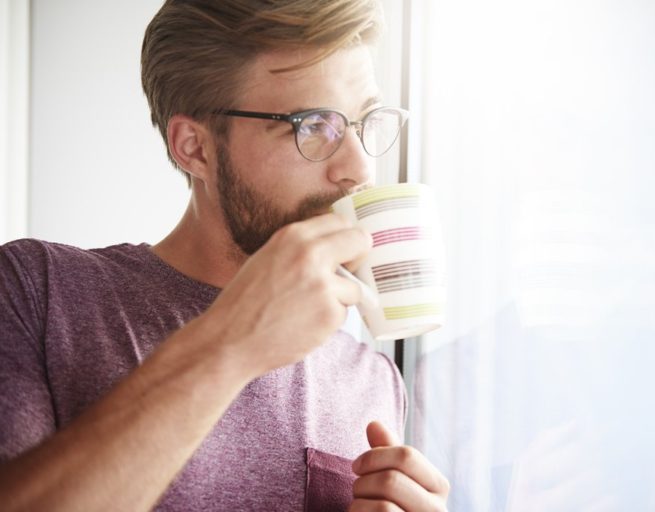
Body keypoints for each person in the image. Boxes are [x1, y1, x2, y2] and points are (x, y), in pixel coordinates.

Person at [0, 1, 450, 510]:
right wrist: (231, 343)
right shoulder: (39, 294)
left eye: (365, 120)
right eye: (313, 124)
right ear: (195, 148)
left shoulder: (371, 376)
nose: (360, 168)